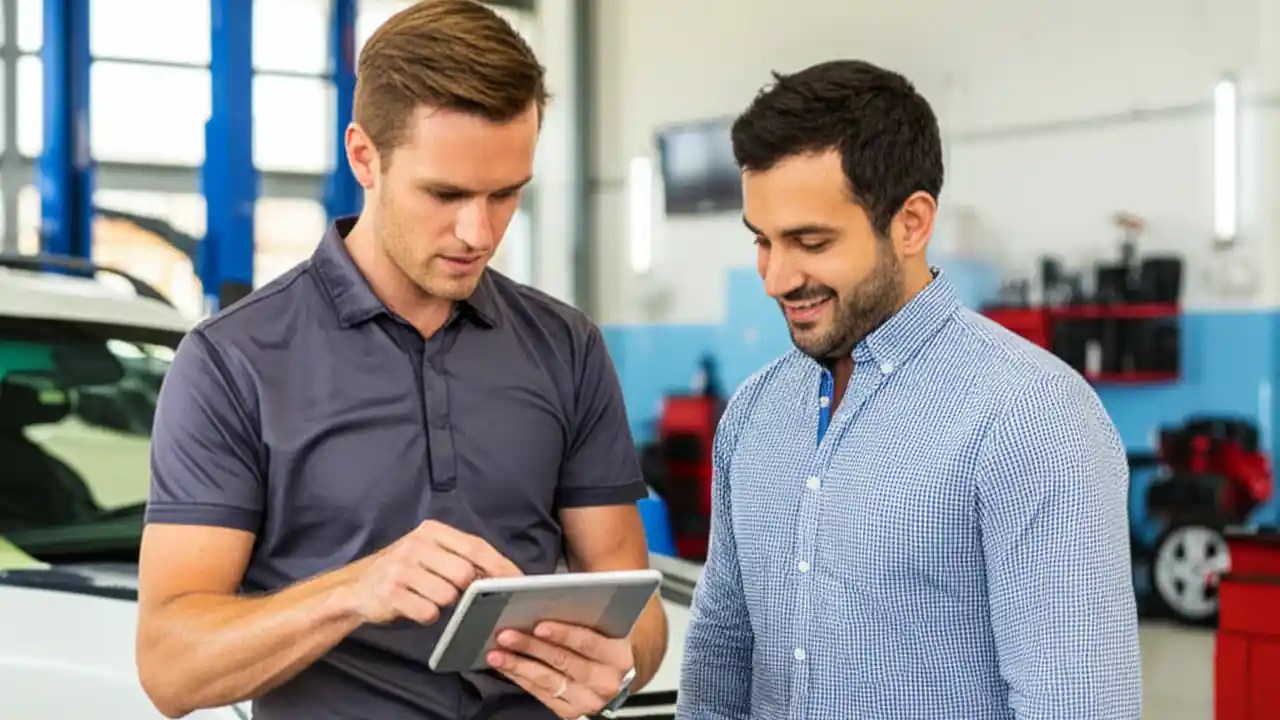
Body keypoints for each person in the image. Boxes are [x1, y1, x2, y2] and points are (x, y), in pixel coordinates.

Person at [135, 2, 666, 718]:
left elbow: (634, 603)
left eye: (506, 194)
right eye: (444, 194)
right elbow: (171, 668)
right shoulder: (233, 363)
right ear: (364, 157)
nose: (478, 231)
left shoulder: (566, 347)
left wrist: (621, 662)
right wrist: (352, 592)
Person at [677, 59, 1141, 718]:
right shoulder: (753, 414)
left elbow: (1075, 704)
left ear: (911, 222)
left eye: (810, 241)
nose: (776, 278)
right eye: (762, 242)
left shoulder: (1032, 419)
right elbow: (722, 652)